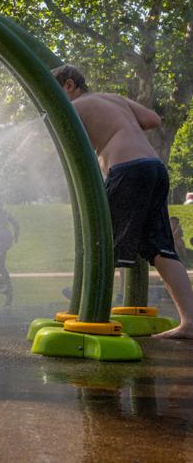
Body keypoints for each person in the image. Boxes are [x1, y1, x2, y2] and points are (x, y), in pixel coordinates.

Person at [53, 64, 193, 339]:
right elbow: (152, 119)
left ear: (69, 85)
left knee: (101, 240)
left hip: (127, 170)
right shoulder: (112, 99)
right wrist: (118, 124)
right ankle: (190, 321)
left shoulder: (76, 107)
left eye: (56, 92)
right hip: (154, 167)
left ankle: (91, 309)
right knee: (161, 248)